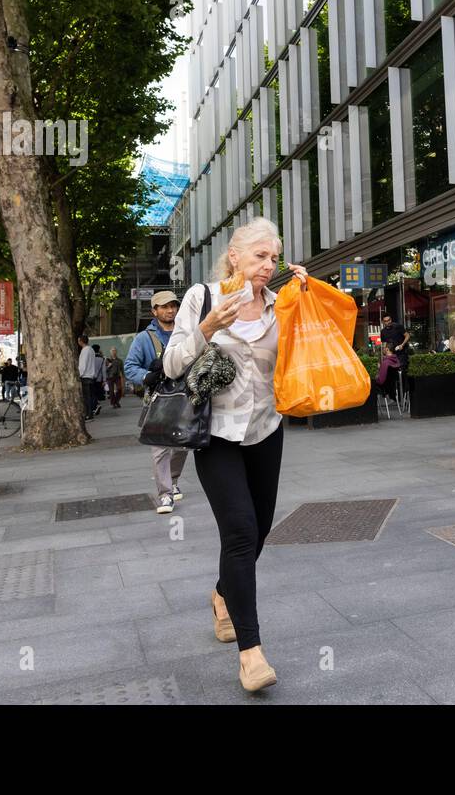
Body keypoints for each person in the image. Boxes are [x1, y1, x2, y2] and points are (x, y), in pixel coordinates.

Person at [161, 218, 309, 693]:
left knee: (261, 529)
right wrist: (207, 328)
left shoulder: (280, 304)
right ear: (234, 256)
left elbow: (306, 352)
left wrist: (307, 301)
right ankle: (252, 654)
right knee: (241, 532)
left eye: (274, 258)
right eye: (260, 256)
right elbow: (171, 364)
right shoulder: (201, 298)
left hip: (266, 429)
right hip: (216, 434)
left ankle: (224, 594)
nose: (268, 265)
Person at [125, 290, 187, 514]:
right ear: (154, 311)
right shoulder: (144, 338)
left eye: (173, 305)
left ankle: (173, 479)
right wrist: (146, 376)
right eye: (164, 306)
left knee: (182, 444)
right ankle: (165, 494)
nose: (170, 310)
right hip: (157, 399)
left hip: (185, 397)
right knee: (160, 448)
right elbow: (130, 366)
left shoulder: (185, 332)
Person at [78, 334, 101, 420]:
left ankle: (88, 414)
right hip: (91, 376)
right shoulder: (91, 350)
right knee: (91, 396)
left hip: (85, 376)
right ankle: (91, 411)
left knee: (86, 397)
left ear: (81, 341)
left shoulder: (84, 350)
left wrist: (79, 374)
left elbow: (83, 364)